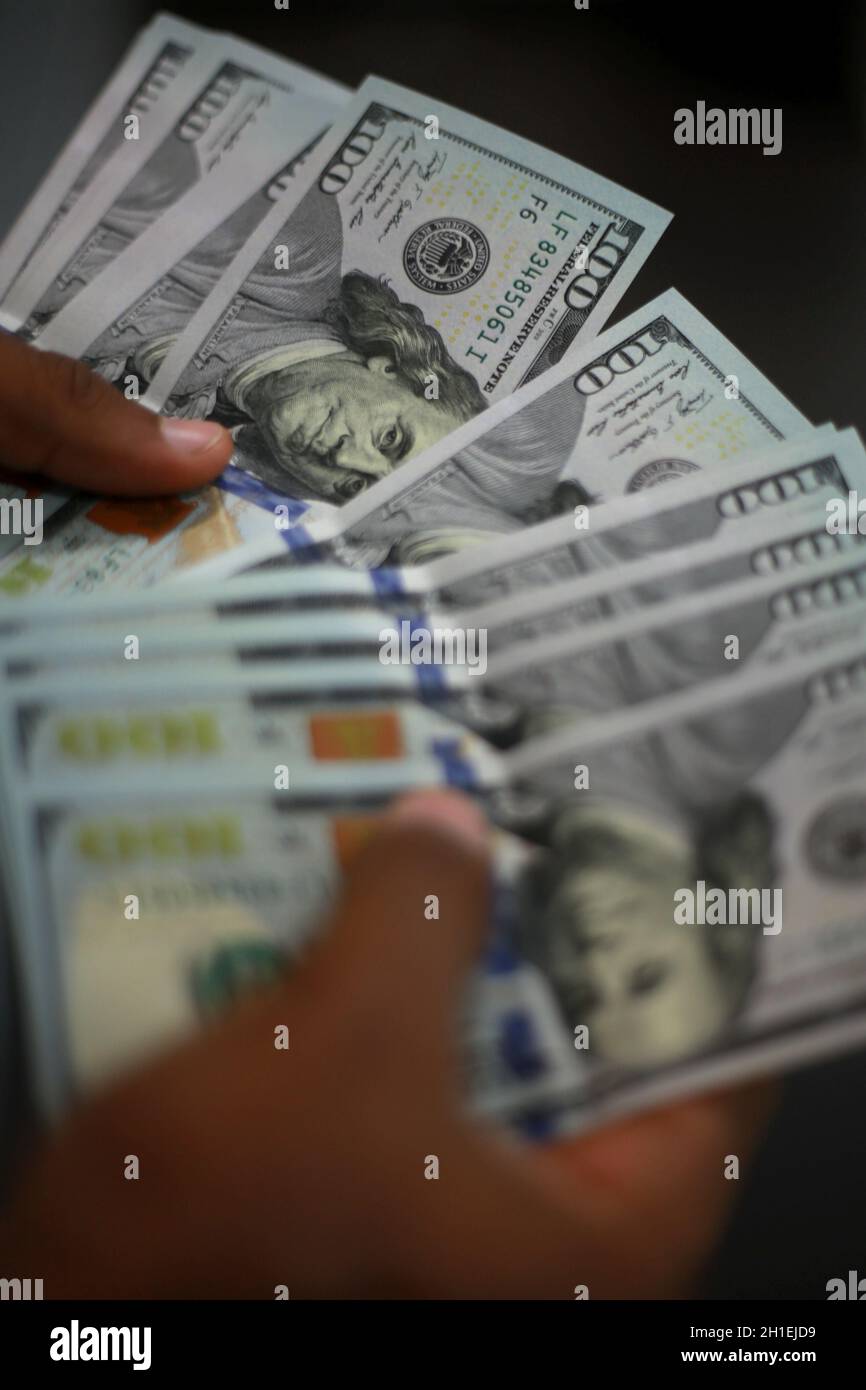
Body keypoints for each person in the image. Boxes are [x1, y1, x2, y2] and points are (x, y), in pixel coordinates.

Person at [0, 332, 770, 1298]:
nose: (594, 956)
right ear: (719, 914)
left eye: (584, 996)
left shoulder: (499, 790)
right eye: (646, 972)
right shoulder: (715, 706)